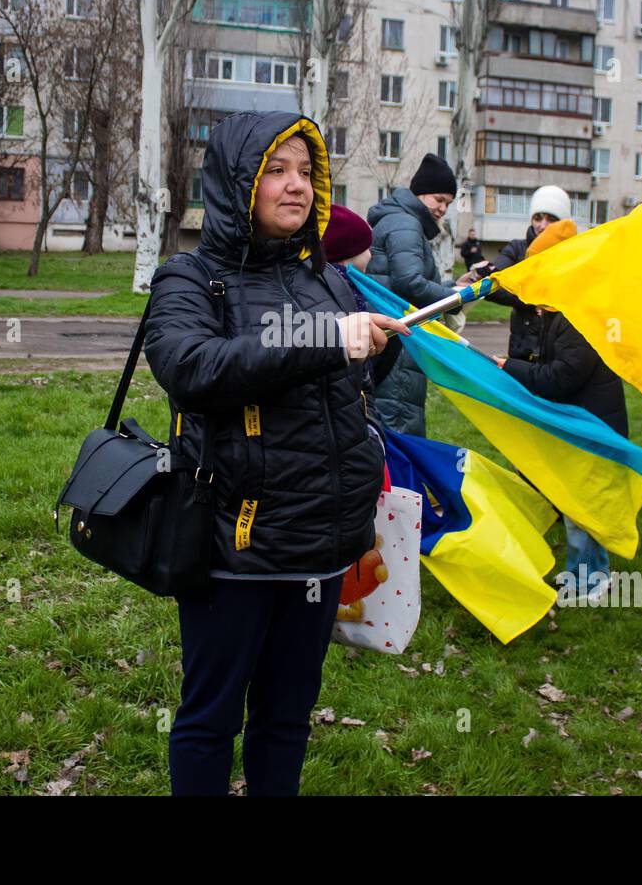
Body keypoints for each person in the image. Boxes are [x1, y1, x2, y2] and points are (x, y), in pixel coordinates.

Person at [143, 112, 410, 797]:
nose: (296, 186)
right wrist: (330, 341)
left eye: (305, 171)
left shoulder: (327, 279)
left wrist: (377, 354)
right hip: (236, 546)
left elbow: (339, 393)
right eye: (276, 170)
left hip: (321, 547)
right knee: (210, 718)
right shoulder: (189, 280)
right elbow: (192, 367)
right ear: (239, 185)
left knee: (287, 718)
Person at [493, 220, 626, 605]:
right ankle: (586, 572)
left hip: (590, 427)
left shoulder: (577, 313)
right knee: (578, 502)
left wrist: (510, 368)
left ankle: (592, 581)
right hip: (583, 422)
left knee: (581, 507)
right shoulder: (563, 307)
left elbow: (562, 377)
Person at [365, 153, 459, 436]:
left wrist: (453, 285)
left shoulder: (401, 220)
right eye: (438, 200)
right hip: (398, 344)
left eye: (448, 204)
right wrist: (455, 300)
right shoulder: (406, 224)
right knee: (398, 425)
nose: (443, 208)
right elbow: (410, 282)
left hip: (393, 339)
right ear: (420, 194)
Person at [460, 184, 571, 363]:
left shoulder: (570, 256)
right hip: (522, 346)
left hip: (557, 349)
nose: (542, 226)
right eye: (537, 218)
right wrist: (488, 272)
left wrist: (526, 296)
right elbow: (496, 279)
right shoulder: (517, 248)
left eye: (551, 219)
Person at [322, 202, 403, 396]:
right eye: (365, 248)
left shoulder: (348, 288)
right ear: (345, 256)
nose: (371, 254)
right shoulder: (343, 293)